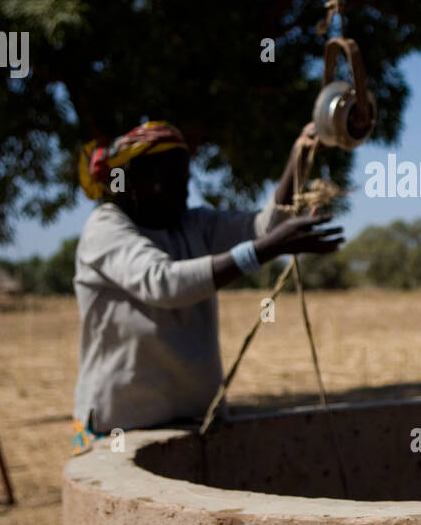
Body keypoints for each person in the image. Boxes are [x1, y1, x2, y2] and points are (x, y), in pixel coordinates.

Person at [70, 119, 342, 444]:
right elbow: (163, 282)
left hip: (194, 420)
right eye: (169, 181)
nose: (183, 191)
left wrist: (299, 156)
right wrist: (266, 250)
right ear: (131, 182)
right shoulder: (105, 228)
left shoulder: (192, 224)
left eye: (185, 180)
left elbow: (262, 229)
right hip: (119, 427)